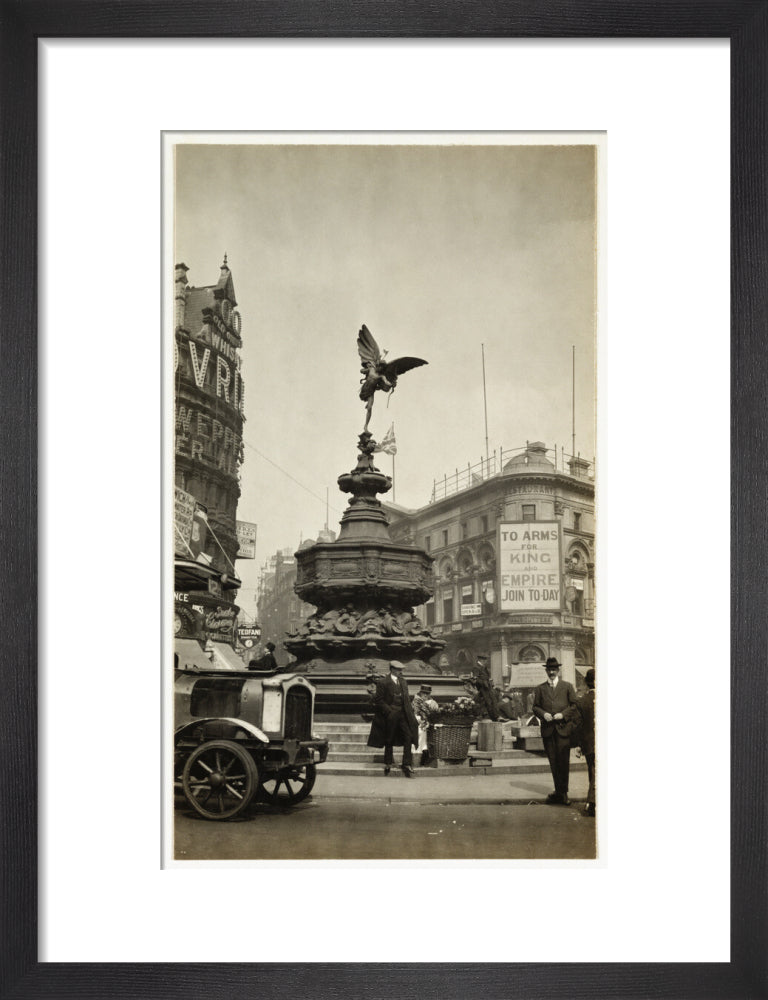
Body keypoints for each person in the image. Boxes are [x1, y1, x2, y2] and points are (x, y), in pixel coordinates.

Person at [532, 657, 579, 805]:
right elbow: (535, 707)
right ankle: (558, 792)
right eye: (549, 669)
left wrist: (563, 714)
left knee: (563, 762)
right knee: (553, 762)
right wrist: (543, 714)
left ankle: (563, 793)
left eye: (554, 669)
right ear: (546, 670)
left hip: (563, 730)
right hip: (548, 731)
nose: (551, 672)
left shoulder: (567, 686)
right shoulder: (540, 688)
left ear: (558, 670)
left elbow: (574, 706)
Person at [366, 660, 420, 777]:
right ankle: (388, 762)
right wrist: (389, 711)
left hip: (403, 714)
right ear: (392, 670)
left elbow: (406, 699)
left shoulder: (403, 682)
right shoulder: (383, 682)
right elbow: (379, 700)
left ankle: (407, 763)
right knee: (389, 738)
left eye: (401, 670)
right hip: (390, 715)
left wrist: (410, 712)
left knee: (409, 736)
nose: (400, 672)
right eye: (398, 670)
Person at [576, 668, 596, 816]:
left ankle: (593, 802)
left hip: (589, 742)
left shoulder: (582, 701)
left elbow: (579, 726)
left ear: (586, 683)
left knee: (593, 770)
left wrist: (579, 745)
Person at [412, 683, 439, 766]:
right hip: (418, 724)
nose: (425, 695)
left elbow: (436, 713)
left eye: (427, 693)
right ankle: (416, 760)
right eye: (423, 693)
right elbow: (413, 713)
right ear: (420, 693)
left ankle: (424, 760)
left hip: (428, 725)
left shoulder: (433, 702)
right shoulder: (416, 701)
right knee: (418, 738)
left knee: (426, 742)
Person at [473, 654, 500, 720]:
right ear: (481, 660)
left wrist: (489, 682)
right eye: (485, 660)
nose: (486, 661)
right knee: (488, 701)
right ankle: (494, 717)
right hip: (483, 688)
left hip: (488, 686)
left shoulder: (484, 667)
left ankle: (496, 716)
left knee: (493, 700)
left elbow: (486, 677)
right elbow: (475, 679)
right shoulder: (476, 667)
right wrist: (483, 683)